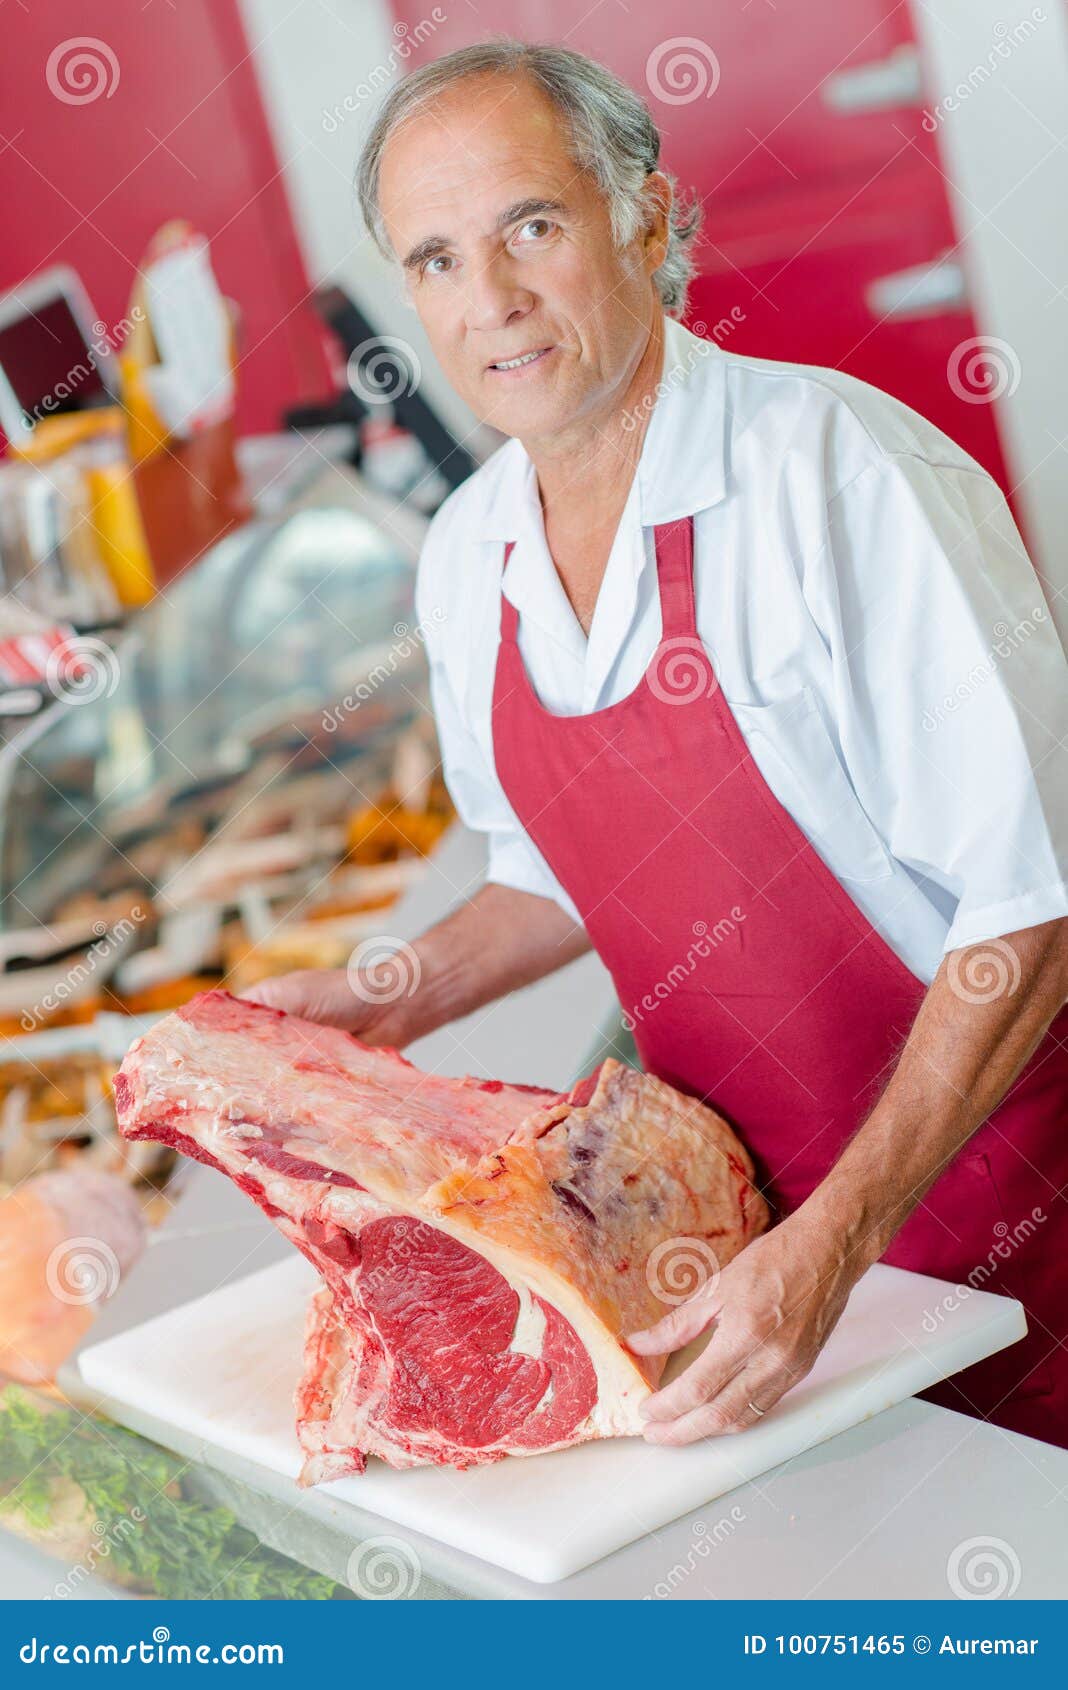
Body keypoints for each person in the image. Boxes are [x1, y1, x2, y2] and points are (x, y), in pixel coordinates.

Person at [247, 41, 1067, 1449]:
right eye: (436, 259)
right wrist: (391, 992)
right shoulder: (469, 556)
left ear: (649, 215)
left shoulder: (838, 477)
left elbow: (1033, 909)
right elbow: (555, 869)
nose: (491, 300)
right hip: (729, 1248)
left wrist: (839, 1239)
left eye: (533, 227)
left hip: (1002, 1211)